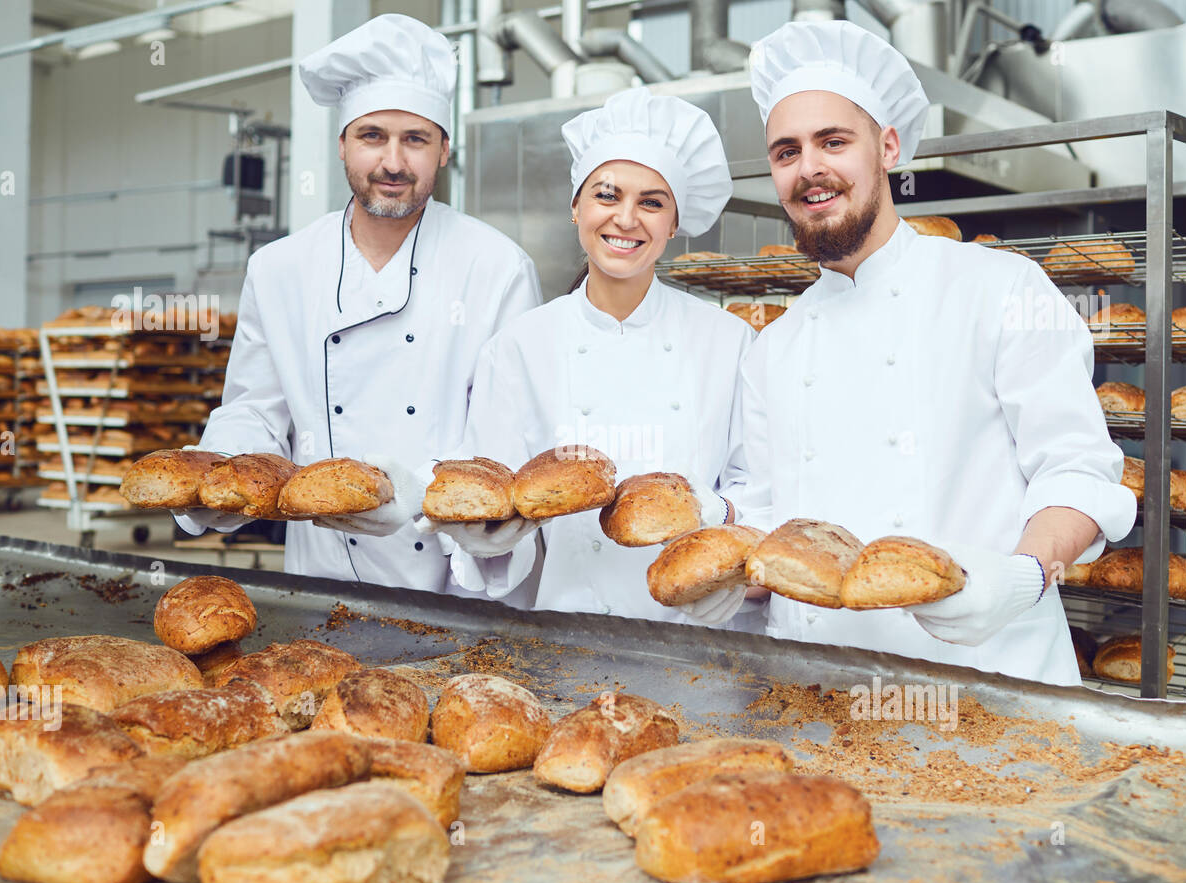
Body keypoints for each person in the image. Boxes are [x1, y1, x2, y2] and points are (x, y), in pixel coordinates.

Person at [699, 21, 1135, 684]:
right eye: (786, 151)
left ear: (889, 147)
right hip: (820, 693)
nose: (809, 168)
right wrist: (727, 577)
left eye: (834, 141)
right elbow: (765, 521)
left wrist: (1022, 576)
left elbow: (1078, 472)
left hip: (989, 686)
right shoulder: (773, 348)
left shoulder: (1000, 288)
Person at [173, 14, 542, 592]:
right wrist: (221, 475)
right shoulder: (279, 268)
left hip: (452, 577)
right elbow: (255, 410)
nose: (393, 163)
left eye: (415, 139)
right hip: (317, 573)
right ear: (342, 143)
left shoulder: (496, 267)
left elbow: (505, 439)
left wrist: (415, 493)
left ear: (444, 150)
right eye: (372, 136)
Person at [415, 87, 757, 625]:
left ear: (674, 224)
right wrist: (489, 539)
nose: (626, 218)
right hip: (568, 634)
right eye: (607, 195)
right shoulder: (519, 347)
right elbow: (495, 496)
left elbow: (756, 487)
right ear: (576, 208)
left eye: (651, 202)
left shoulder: (728, 340)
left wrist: (726, 522)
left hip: (700, 635)